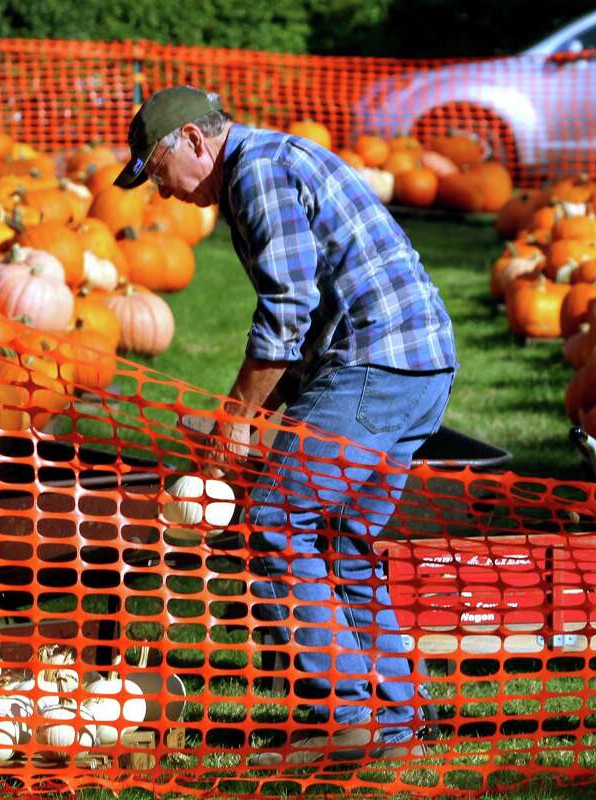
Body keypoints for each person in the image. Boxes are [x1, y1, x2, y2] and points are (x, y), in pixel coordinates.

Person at [114, 86, 458, 764]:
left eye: (158, 172)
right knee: (344, 539)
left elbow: (287, 309)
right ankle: (392, 723)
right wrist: (246, 421)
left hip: (374, 363)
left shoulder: (258, 172)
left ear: (192, 141)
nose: (161, 193)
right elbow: (309, 316)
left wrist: (238, 419)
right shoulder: (275, 159)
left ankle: (342, 719)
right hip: (422, 365)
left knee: (275, 518)